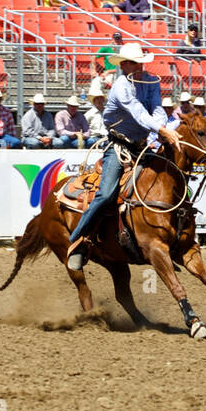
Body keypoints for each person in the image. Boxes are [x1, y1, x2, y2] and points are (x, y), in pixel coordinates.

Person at [66, 42, 179, 270]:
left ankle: (171, 237)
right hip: (119, 147)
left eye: (140, 63)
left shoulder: (150, 83)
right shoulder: (120, 86)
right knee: (106, 193)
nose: (139, 67)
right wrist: (161, 130)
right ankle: (78, 239)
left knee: (171, 179)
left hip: (142, 144)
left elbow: (156, 108)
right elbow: (137, 112)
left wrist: (162, 127)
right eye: (135, 63)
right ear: (125, 65)